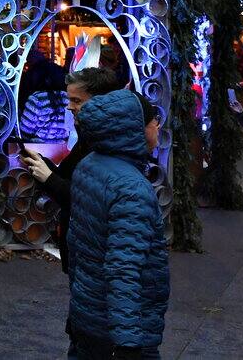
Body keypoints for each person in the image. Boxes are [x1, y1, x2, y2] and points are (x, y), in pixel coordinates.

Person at [22, 66, 121, 358]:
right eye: (70, 100)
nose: (70, 107)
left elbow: (85, 196)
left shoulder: (103, 144)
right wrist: (47, 171)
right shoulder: (89, 137)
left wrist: (49, 178)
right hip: (81, 252)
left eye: (76, 101)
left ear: (99, 101)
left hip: (92, 255)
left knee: (89, 329)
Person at [67, 90, 169, 360]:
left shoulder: (89, 165)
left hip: (87, 317)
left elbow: (76, 243)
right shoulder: (132, 189)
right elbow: (123, 269)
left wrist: (76, 312)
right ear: (135, 129)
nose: (157, 126)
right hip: (119, 331)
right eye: (153, 119)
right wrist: (128, 344)